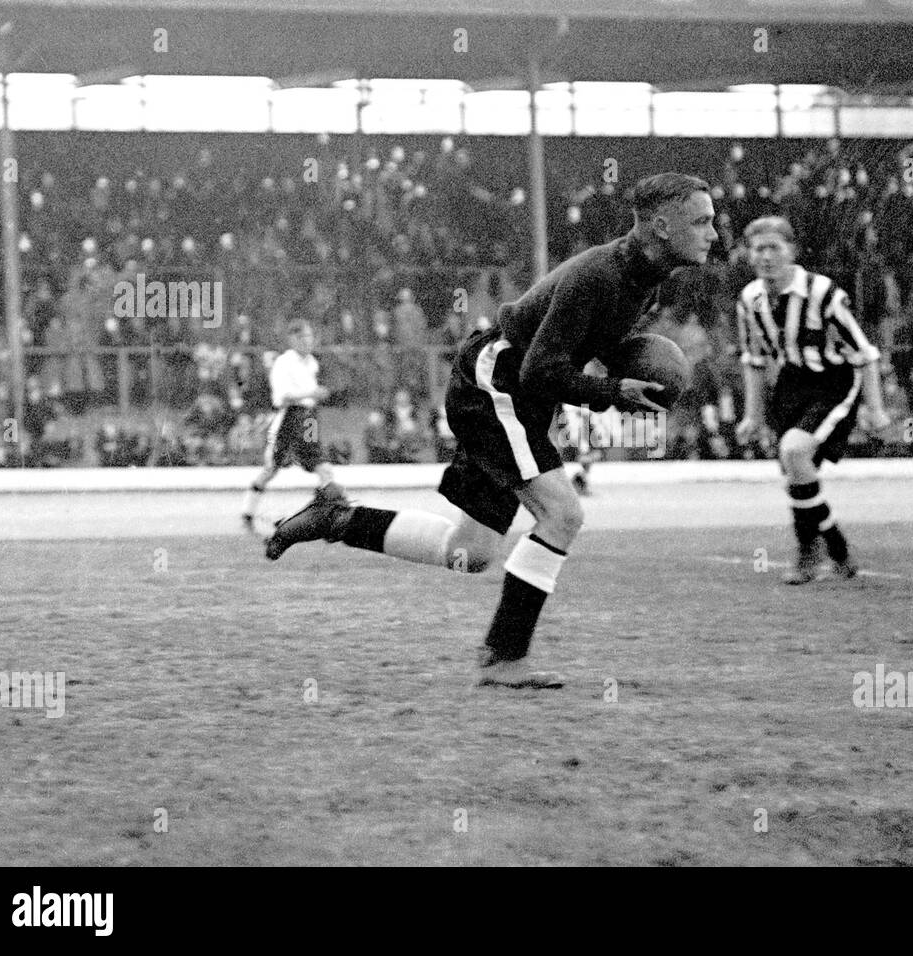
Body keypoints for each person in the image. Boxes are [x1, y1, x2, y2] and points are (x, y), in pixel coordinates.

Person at [264, 172, 717, 688]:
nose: (713, 234)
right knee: (562, 514)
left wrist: (628, 381)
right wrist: (614, 393)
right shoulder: (599, 275)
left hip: (516, 394)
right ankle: (504, 658)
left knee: (470, 551)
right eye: (701, 221)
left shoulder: (645, 282)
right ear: (661, 225)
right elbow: (539, 370)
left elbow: (578, 353)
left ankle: (337, 519)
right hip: (497, 384)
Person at [733, 216, 890, 584]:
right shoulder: (749, 299)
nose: (767, 256)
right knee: (795, 473)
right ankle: (836, 547)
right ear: (749, 255)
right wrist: (751, 416)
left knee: (794, 452)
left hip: (833, 382)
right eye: (759, 249)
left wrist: (876, 409)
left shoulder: (823, 294)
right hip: (790, 385)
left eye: (775, 247)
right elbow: (754, 360)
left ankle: (809, 553)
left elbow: (865, 354)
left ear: (791, 251)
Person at [241, 320, 345, 531]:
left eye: (310, 336)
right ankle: (247, 512)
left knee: (322, 465)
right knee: (271, 469)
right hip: (290, 418)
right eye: (305, 337)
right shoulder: (284, 363)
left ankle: (328, 514)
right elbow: (282, 397)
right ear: (294, 339)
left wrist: (317, 396)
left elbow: (311, 394)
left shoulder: (312, 363)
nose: (310, 341)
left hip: (309, 419)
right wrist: (311, 394)